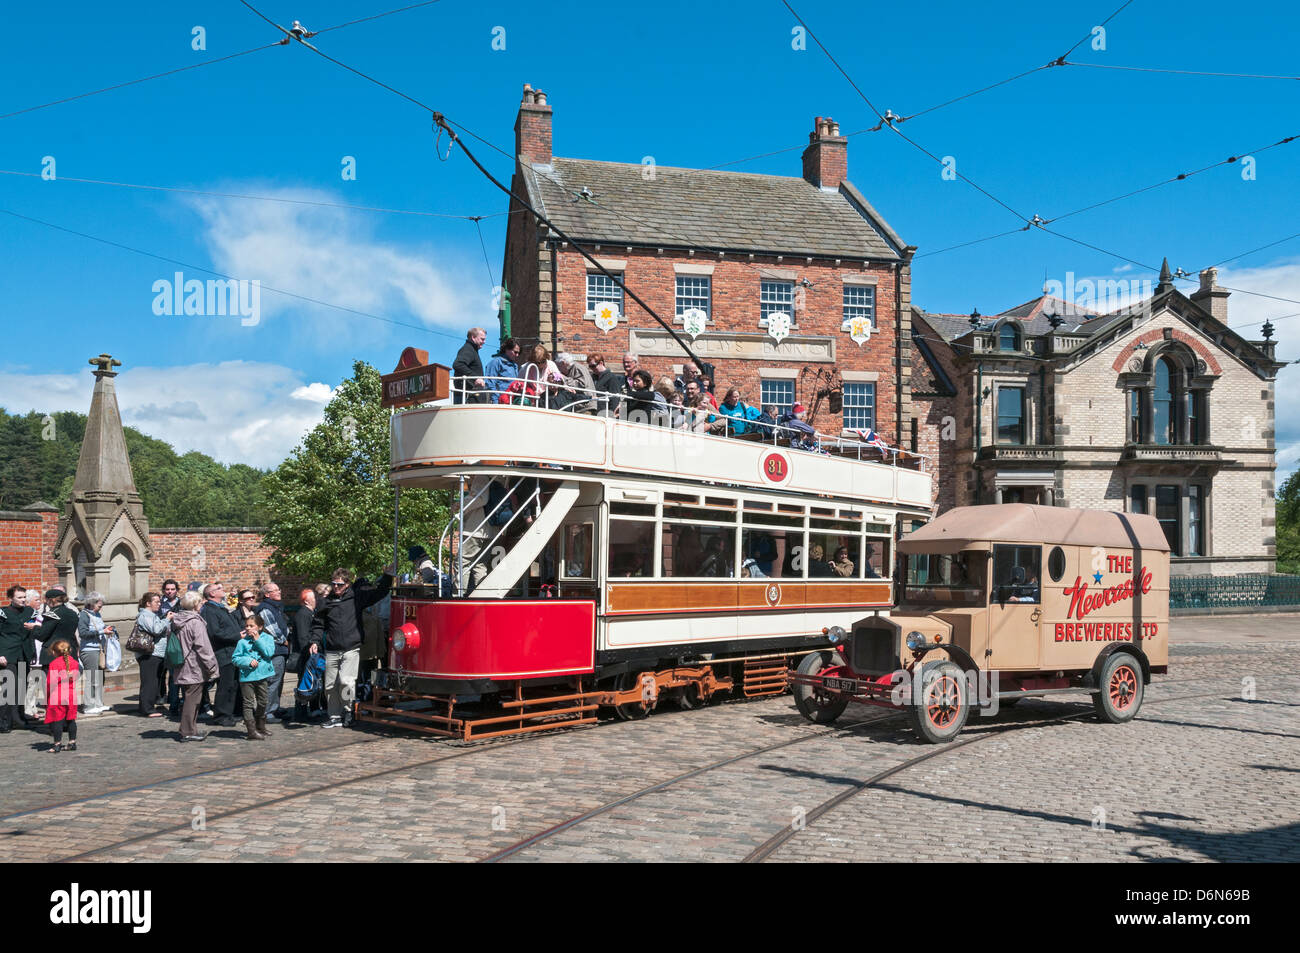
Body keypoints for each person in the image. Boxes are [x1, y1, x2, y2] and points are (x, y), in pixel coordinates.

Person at [310, 566, 394, 728]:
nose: (336, 587)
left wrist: (387, 576)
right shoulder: (325, 602)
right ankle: (334, 715)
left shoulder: (357, 597)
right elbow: (318, 624)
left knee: (346, 682)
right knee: (330, 685)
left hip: (351, 648)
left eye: (340, 584)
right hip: (332, 649)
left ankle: (348, 711)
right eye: (334, 584)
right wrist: (315, 640)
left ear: (347, 584)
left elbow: (380, 592)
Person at [170, 590, 219, 742]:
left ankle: (190, 728)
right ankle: (187, 731)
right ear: (195, 604)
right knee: (193, 700)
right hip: (193, 666)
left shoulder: (177, 620)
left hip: (181, 665)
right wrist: (212, 667)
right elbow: (203, 648)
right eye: (200, 602)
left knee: (191, 698)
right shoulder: (195, 622)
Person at [200, 582, 242, 727]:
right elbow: (215, 633)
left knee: (233, 685)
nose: (223, 589)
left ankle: (230, 713)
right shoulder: (210, 610)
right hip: (222, 653)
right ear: (211, 594)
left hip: (232, 652)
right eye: (219, 588)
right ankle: (221, 715)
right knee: (225, 686)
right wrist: (237, 635)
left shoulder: (221, 608)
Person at [0, 585, 39, 731]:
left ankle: (18, 719)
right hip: (7, 654)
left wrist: (33, 653)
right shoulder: (3, 613)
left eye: (24, 597)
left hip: (24, 653)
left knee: (21, 688)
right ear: (11, 598)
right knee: (8, 688)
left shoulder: (30, 612)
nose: (23, 600)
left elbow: (32, 635)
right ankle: (3, 722)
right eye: (19, 597)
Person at [232, 613, 275, 740]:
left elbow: (269, 653)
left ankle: (260, 726)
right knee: (248, 703)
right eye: (247, 626)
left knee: (263, 701)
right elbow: (235, 658)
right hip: (247, 676)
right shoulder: (242, 642)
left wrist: (258, 640)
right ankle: (251, 731)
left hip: (262, 675)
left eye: (252, 626)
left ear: (260, 627)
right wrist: (247, 661)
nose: (248, 628)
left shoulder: (267, 638)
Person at [256, 583, 292, 721]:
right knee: (272, 681)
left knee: (278, 680)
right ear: (267, 594)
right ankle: (267, 712)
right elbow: (272, 629)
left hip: (279, 649)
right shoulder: (265, 608)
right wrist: (284, 640)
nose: (279, 592)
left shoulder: (276, 607)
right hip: (274, 649)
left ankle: (274, 707)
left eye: (279, 589)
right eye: (275, 590)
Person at [133, 591, 171, 717]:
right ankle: (147, 709)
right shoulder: (146, 615)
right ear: (148, 603)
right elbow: (156, 630)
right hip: (149, 653)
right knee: (149, 682)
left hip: (155, 653)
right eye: (156, 602)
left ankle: (147, 707)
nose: (159, 604)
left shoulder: (152, 615)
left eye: (160, 602)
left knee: (153, 681)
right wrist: (167, 620)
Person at [76, 592, 112, 715]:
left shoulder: (97, 614)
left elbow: (99, 627)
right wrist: (102, 631)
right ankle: (88, 705)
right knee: (91, 678)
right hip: (89, 650)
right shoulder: (84, 615)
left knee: (99, 678)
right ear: (92, 604)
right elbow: (83, 633)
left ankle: (98, 703)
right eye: (99, 605)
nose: (101, 607)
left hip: (99, 649)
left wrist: (107, 629)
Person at [43, 638, 79, 752]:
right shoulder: (74, 662)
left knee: (57, 721)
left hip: (57, 695)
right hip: (71, 694)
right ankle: (72, 742)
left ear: (55, 652)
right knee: (71, 720)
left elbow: (50, 683)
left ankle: (57, 744)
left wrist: (46, 698)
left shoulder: (54, 664)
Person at [452, 326, 488, 403]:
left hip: (468, 393)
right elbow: (457, 364)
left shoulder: (471, 350)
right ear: (473, 337)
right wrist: (475, 378)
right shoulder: (468, 349)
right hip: (466, 394)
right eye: (482, 339)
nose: (484, 342)